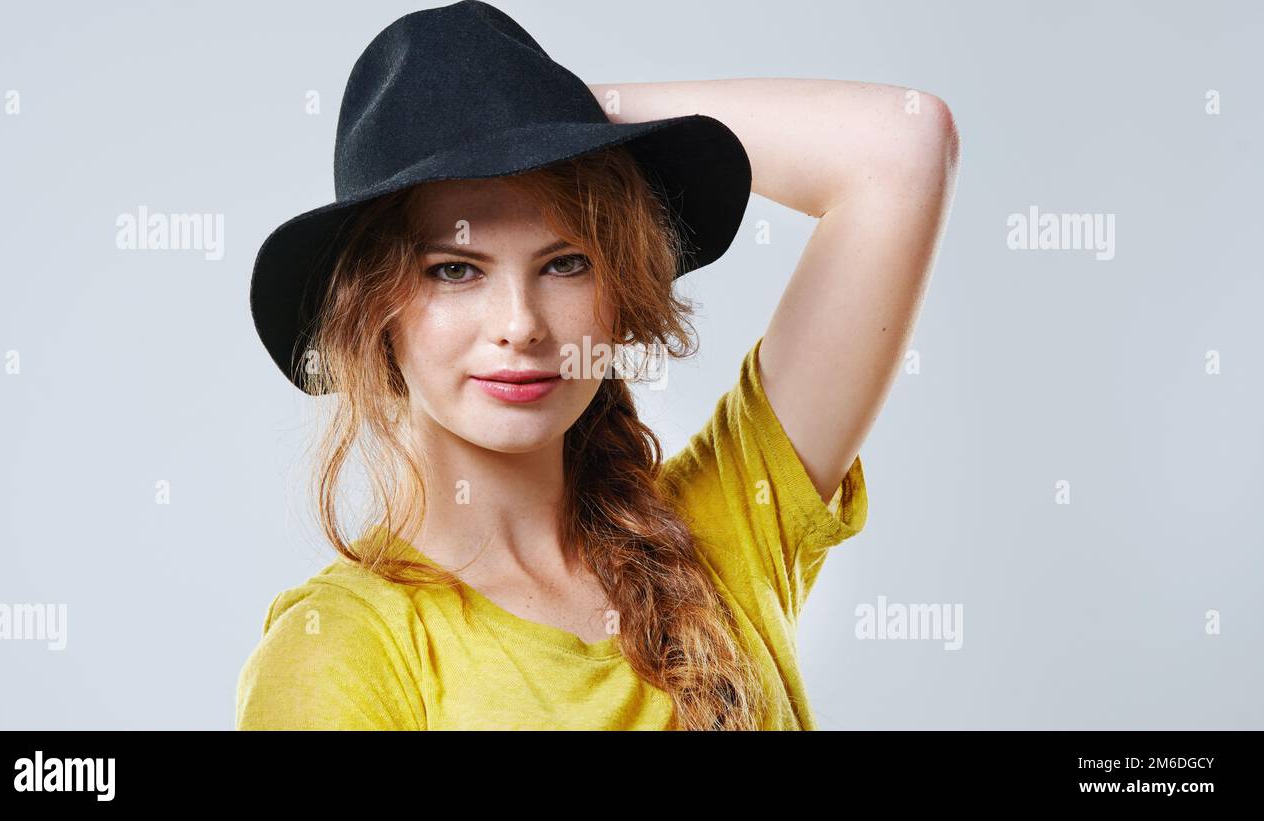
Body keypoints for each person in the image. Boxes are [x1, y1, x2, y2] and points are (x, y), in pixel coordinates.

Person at [236, 2, 959, 731]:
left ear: (621, 287)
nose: (520, 324)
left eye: (566, 262)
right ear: (373, 312)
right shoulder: (343, 649)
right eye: (455, 270)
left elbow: (904, 145)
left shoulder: (725, 531)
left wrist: (576, 114)